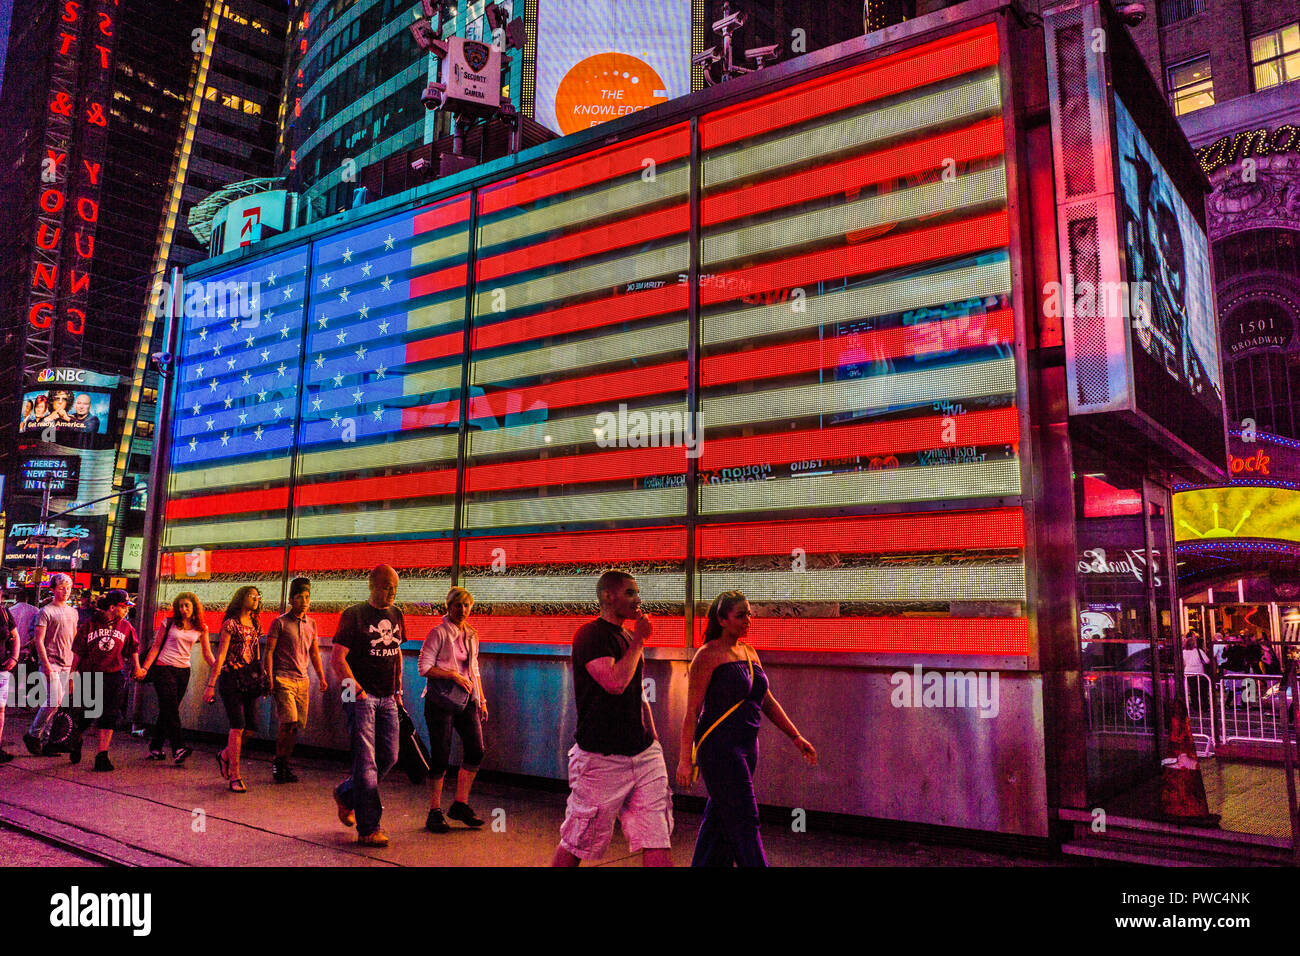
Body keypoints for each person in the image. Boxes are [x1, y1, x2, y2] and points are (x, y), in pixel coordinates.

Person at [676, 591, 817, 867]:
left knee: (720, 818)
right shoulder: (707, 655)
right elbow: (692, 711)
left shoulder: (749, 652)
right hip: (719, 749)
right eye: (741, 615)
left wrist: (795, 736)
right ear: (722, 619)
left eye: (749, 614)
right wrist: (684, 760)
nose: (748, 620)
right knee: (744, 818)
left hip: (747, 746)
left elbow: (765, 699)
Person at [551, 570, 673, 867]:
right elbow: (614, 682)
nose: (637, 599)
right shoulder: (590, 635)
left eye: (637, 592)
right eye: (630, 592)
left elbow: (637, 688)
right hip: (601, 757)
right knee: (580, 838)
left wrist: (652, 735)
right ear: (608, 596)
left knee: (656, 834)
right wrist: (640, 642)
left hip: (643, 753)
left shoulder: (629, 637)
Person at [332, 566, 406, 847]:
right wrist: (358, 691)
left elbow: (396, 653)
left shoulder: (396, 614)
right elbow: (338, 659)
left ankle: (346, 793)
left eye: (395, 588)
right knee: (366, 762)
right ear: (372, 585)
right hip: (358, 695)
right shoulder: (354, 614)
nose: (391, 592)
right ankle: (369, 827)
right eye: (387, 587)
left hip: (387, 696)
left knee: (389, 756)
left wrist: (398, 690)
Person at [418, 586, 488, 833]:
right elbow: (424, 667)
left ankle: (460, 804)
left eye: (467, 605)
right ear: (449, 607)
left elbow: (474, 669)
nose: (463, 610)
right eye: (458, 605)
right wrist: (454, 676)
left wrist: (481, 700)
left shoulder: (471, 634)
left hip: (466, 700)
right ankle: (434, 811)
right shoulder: (438, 633)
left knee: (476, 750)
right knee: (441, 754)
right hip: (440, 701)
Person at [67, 591, 144, 771]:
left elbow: (133, 648)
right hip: (89, 674)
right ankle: (77, 737)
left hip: (114, 675)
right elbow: (77, 653)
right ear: (112, 607)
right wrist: (71, 676)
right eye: (123, 607)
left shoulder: (126, 627)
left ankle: (102, 755)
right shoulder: (89, 625)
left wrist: (137, 667)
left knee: (109, 714)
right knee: (87, 713)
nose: (126, 611)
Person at [265, 577, 327, 783]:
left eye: (307, 597)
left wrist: (321, 677)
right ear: (291, 599)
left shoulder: (312, 624)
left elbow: (315, 653)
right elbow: (269, 652)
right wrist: (269, 677)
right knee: (287, 721)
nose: (304, 601)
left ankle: (284, 763)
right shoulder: (280, 622)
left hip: (303, 680)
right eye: (300, 597)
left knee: (295, 726)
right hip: (283, 678)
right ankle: (278, 762)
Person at [140, 592, 215, 763]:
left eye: (187, 605)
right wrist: (145, 668)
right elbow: (156, 647)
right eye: (180, 606)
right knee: (171, 708)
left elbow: (207, 653)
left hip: (183, 671)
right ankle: (178, 747)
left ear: (194, 606)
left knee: (168, 710)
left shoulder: (201, 628)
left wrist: (220, 667)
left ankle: (156, 747)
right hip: (163, 667)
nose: (183, 609)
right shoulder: (169, 623)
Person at [204, 586, 265, 793]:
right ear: (241, 598)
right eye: (252, 595)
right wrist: (211, 685)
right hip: (231, 679)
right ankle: (235, 775)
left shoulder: (256, 623)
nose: (256, 599)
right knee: (237, 726)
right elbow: (221, 655)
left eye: (258, 596)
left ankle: (224, 754)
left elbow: (256, 652)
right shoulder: (231, 624)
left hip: (250, 679)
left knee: (251, 727)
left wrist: (262, 676)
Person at [23, 574, 79, 756]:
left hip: (67, 662)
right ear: (54, 589)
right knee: (53, 701)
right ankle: (34, 734)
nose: (66, 591)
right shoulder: (45, 612)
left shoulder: (73, 612)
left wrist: (74, 668)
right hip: (51, 662)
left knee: (57, 703)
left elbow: (75, 639)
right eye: (62, 587)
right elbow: (38, 640)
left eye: (68, 588)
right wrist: (45, 663)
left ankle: (47, 740)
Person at [0, 597, 20, 763]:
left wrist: (14, 657)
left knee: (0, 710)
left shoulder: (4, 613)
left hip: (2, 668)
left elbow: (15, 636)